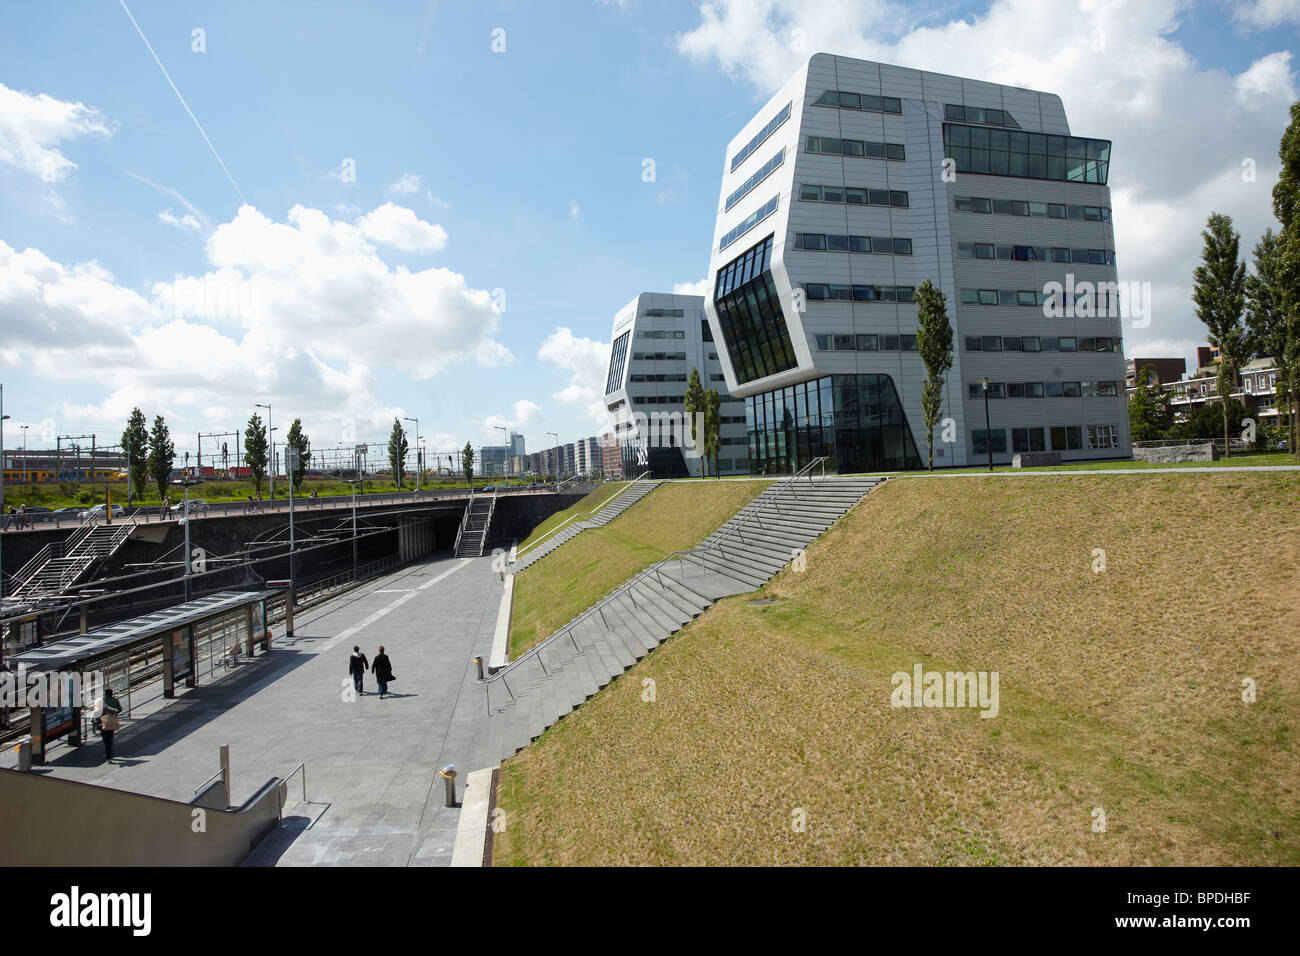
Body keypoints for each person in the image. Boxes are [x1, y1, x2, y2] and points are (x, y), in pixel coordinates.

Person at [98, 687, 123, 761]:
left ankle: (108, 754)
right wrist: (115, 714)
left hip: (103, 722)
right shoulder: (115, 700)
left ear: (106, 695)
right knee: (110, 737)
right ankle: (109, 753)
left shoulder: (102, 702)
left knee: (106, 739)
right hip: (112, 721)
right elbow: (120, 709)